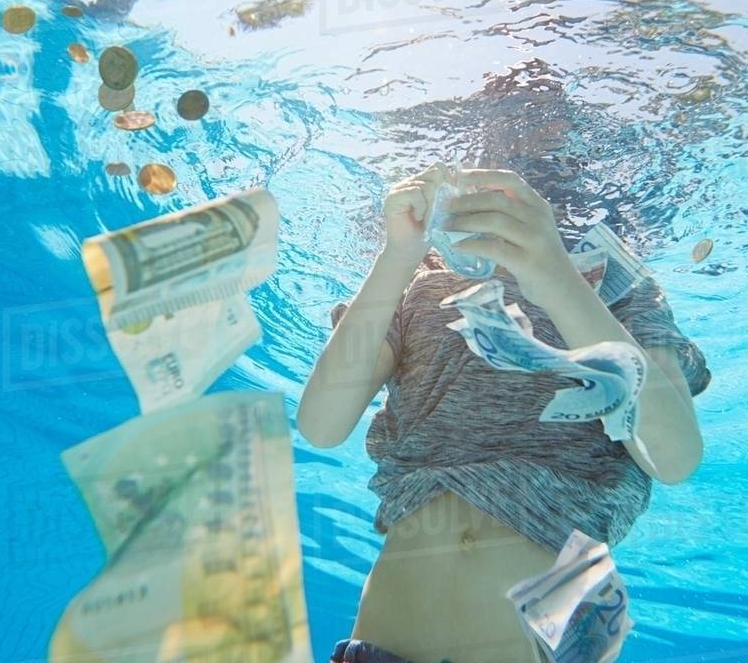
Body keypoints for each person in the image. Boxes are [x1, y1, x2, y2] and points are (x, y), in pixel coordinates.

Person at [297, 162, 711, 663]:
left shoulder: (622, 291)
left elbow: (675, 456)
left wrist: (555, 275)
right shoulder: (420, 285)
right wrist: (399, 254)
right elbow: (322, 423)